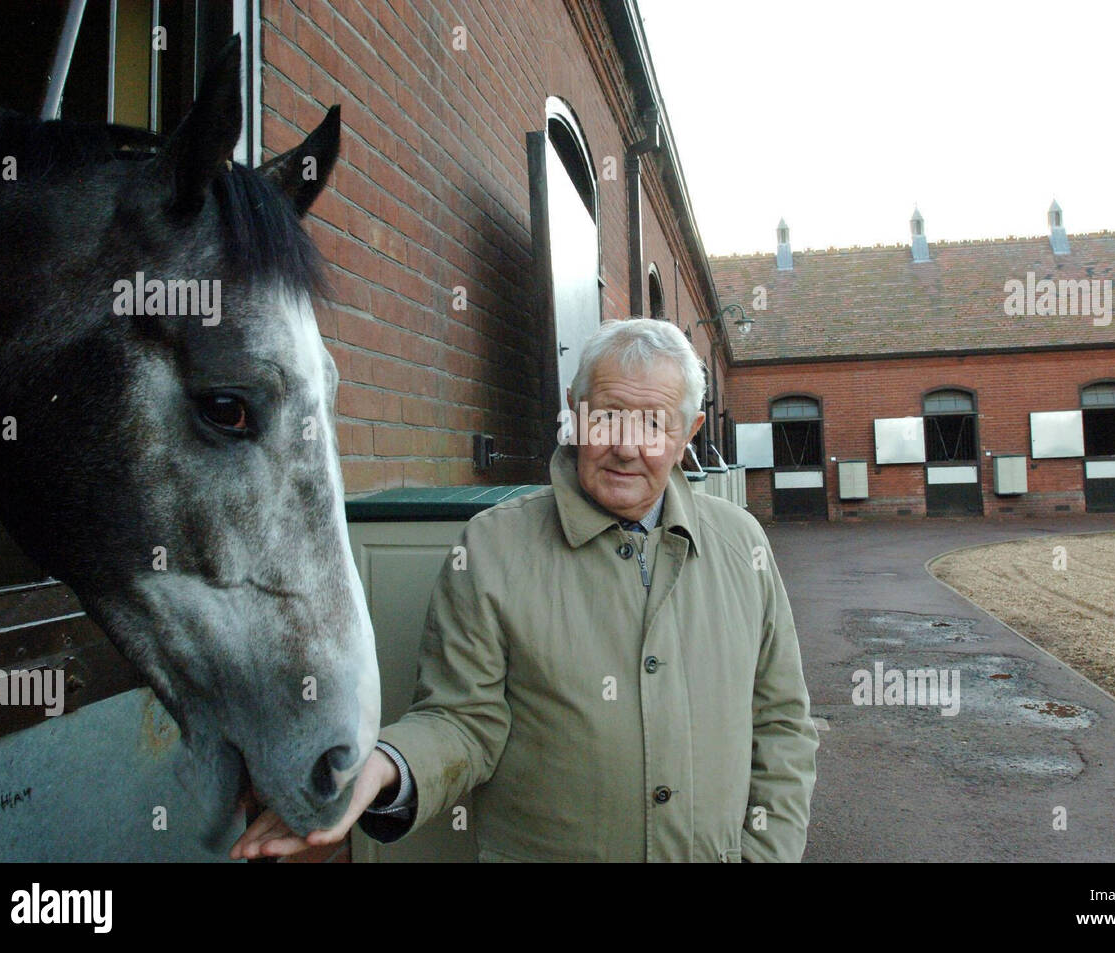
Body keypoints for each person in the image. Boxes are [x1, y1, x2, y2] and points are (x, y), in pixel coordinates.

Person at [232, 317, 818, 862]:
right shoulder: (490, 549)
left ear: (689, 432)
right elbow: (462, 721)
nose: (626, 446)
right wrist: (384, 766)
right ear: (574, 410)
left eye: (653, 425)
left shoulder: (743, 545)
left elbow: (782, 724)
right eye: (607, 416)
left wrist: (767, 854)